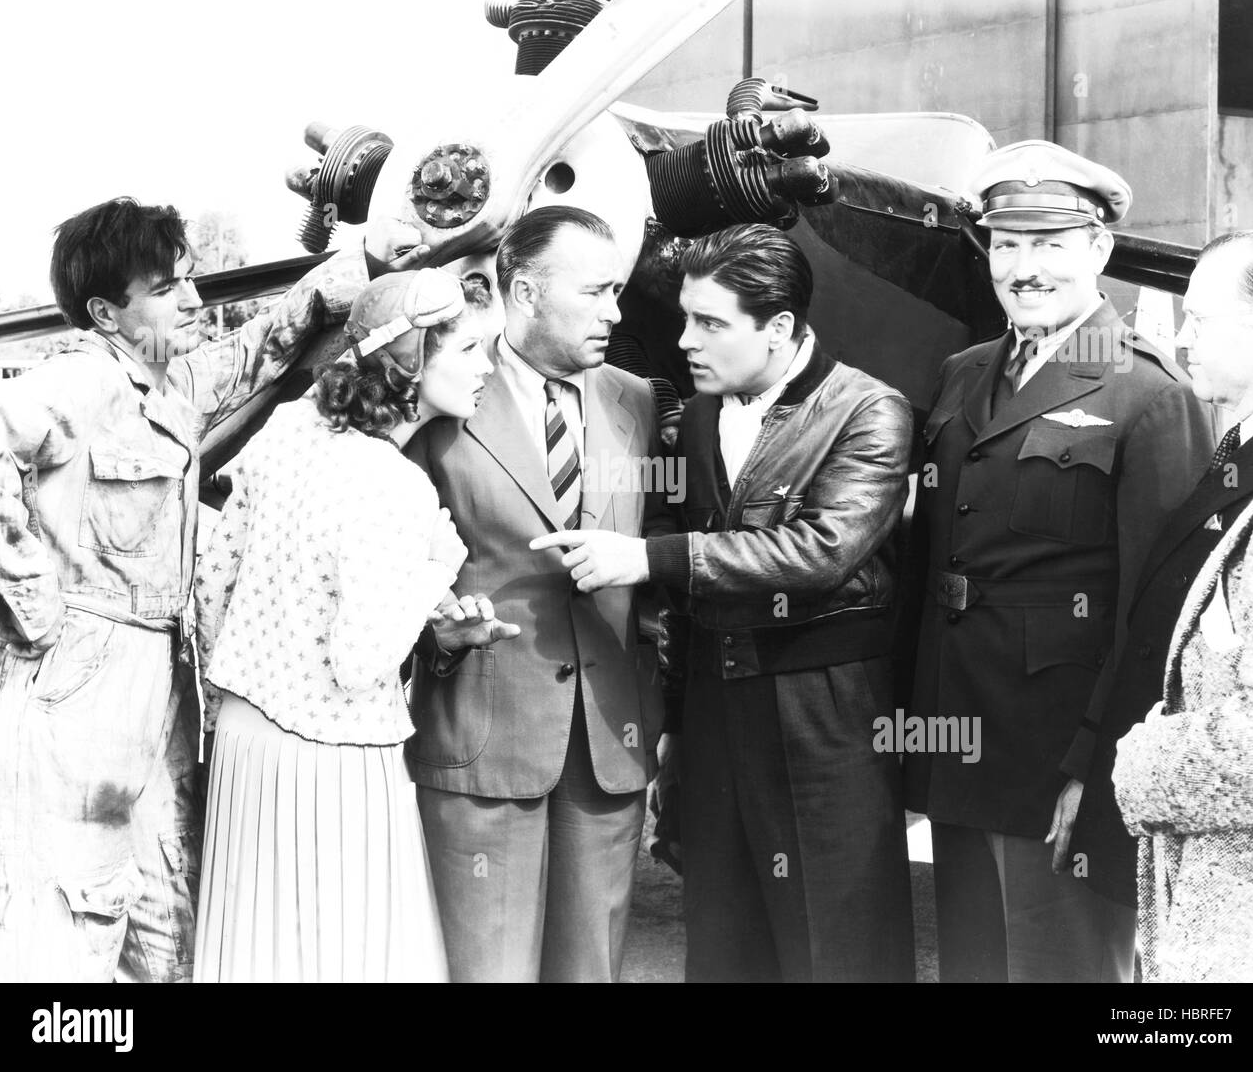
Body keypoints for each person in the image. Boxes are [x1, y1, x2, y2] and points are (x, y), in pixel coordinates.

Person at [0, 196, 420, 982]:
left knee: (164, 919)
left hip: (159, 681)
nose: (192, 300)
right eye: (165, 287)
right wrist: (31, 601)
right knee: (59, 932)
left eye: (190, 280)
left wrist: (370, 257)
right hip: (75, 686)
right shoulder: (82, 379)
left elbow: (263, 345)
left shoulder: (172, 384)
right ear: (104, 312)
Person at [535, 223, 917, 981]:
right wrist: (674, 722)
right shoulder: (702, 416)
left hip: (825, 721)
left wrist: (644, 557)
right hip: (714, 714)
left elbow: (820, 551)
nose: (685, 341)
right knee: (723, 941)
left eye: (710, 323)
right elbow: (679, 557)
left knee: (838, 944)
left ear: (779, 329)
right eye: (685, 317)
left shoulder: (870, 411)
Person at [902, 141, 1214, 983]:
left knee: (1063, 972)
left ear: (1100, 250)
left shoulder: (1147, 395)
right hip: (959, 743)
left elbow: (1159, 618)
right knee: (974, 967)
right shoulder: (965, 373)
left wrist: (1098, 765)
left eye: (1049, 243)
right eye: (1007, 243)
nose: (1023, 267)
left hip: (1058, 760)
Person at [191, 267, 508, 982]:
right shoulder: (396, 484)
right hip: (334, 760)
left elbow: (215, 579)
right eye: (467, 351)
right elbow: (363, 660)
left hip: (246, 739)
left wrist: (236, 697)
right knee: (346, 955)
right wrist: (434, 567)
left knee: (256, 947)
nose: (486, 366)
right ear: (411, 357)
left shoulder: (290, 426)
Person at [406, 205, 672, 983]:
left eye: (617, 291)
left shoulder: (635, 400)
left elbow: (658, 555)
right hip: (480, 745)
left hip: (607, 751)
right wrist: (437, 633)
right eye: (595, 292)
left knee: (592, 970)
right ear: (523, 290)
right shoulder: (444, 393)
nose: (615, 312)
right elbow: (387, 558)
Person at [1071, 231, 1253, 915]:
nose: (1184, 339)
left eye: (1202, 319)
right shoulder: (1237, 446)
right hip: (1190, 835)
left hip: (1234, 864)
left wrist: (1135, 766)